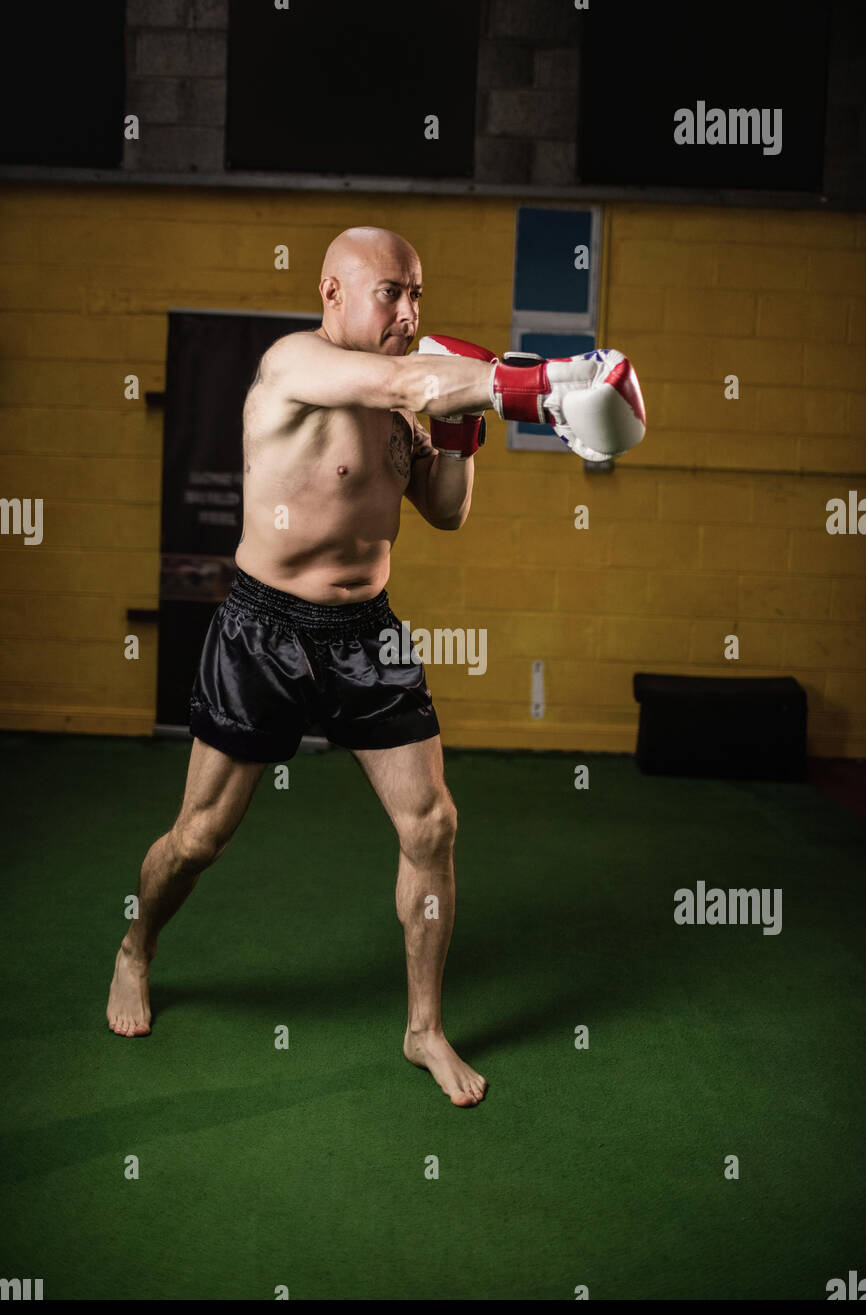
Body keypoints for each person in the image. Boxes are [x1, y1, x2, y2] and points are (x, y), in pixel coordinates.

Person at [106, 224, 645, 1109]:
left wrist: (465, 428)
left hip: (369, 632)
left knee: (431, 825)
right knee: (200, 836)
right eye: (391, 291)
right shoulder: (296, 366)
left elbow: (442, 511)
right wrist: (546, 383)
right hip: (262, 628)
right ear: (332, 294)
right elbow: (404, 378)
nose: (410, 311)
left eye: (417, 293)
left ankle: (423, 1028)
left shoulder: (409, 400)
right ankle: (136, 948)